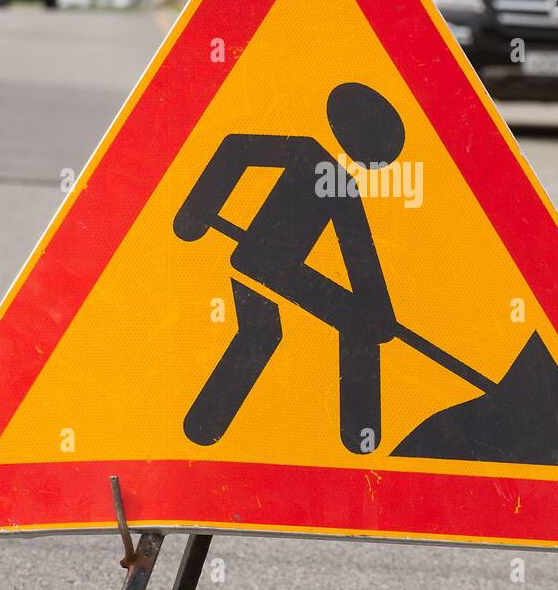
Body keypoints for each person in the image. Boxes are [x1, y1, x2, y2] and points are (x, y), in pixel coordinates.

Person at [173, 82, 405, 453]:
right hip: (263, 262)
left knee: (262, 333)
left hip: (272, 266)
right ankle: (361, 431)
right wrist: (195, 214)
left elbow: (360, 257)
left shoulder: (341, 184)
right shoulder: (311, 156)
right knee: (307, 328)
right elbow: (235, 148)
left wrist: (379, 311)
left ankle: (203, 427)